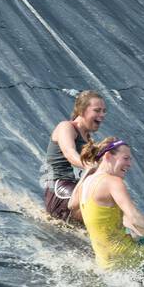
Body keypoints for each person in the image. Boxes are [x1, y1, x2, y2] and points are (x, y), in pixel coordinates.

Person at [69, 137, 144, 273]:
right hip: (129, 256)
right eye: (126, 158)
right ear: (108, 156)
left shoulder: (88, 181)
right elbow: (134, 217)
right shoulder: (113, 182)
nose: (130, 164)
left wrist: (87, 172)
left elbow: (71, 204)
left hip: (105, 262)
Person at [42, 90, 105, 225]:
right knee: (96, 205)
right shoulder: (66, 127)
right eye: (97, 110)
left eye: (104, 111)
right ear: (82, 110)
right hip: (59, 190)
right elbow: (70, 153)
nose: (102, 115)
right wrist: (88, 165)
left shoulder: (88, 140)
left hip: (75, 188)